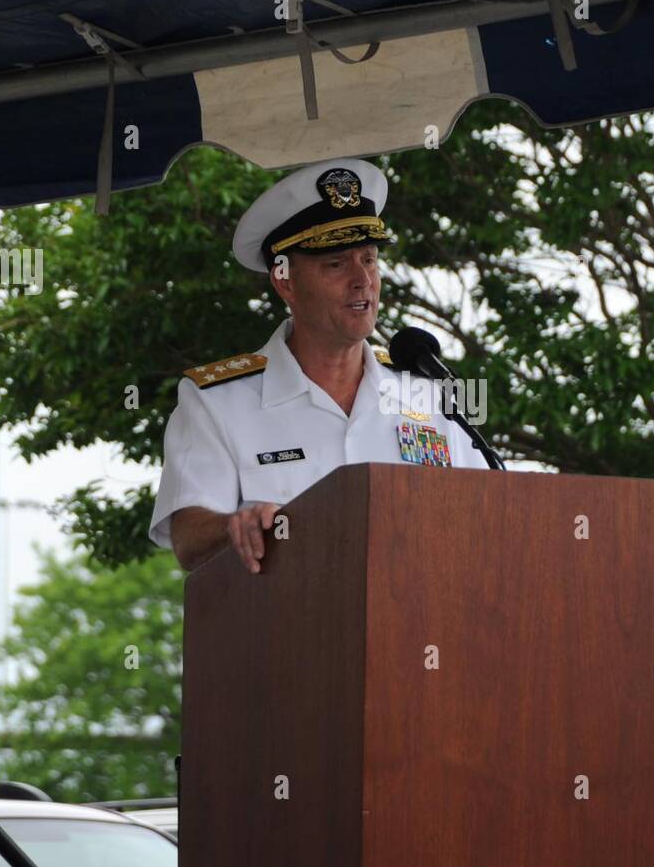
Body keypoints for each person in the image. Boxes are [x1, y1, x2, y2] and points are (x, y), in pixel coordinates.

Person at [149, 157, 490, 573]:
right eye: (336, 263)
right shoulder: (217, 401)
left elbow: (485, 511)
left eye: (368, 259)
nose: (361, 279)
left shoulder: (425, 388)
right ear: (285, 281)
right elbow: (188, 536)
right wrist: (236, 527)